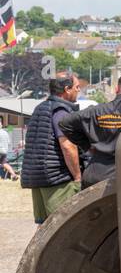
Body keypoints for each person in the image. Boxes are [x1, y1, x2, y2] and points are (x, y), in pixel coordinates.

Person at [19, 74, 82, 223]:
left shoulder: (40, 108)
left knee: (43, 227)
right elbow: (67, 145)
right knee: (63, 225)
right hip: (56, 179)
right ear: (67, 89)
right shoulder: (61, 111)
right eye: (77, 87)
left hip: (37, 177)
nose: (79, 91)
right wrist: (78, 176)